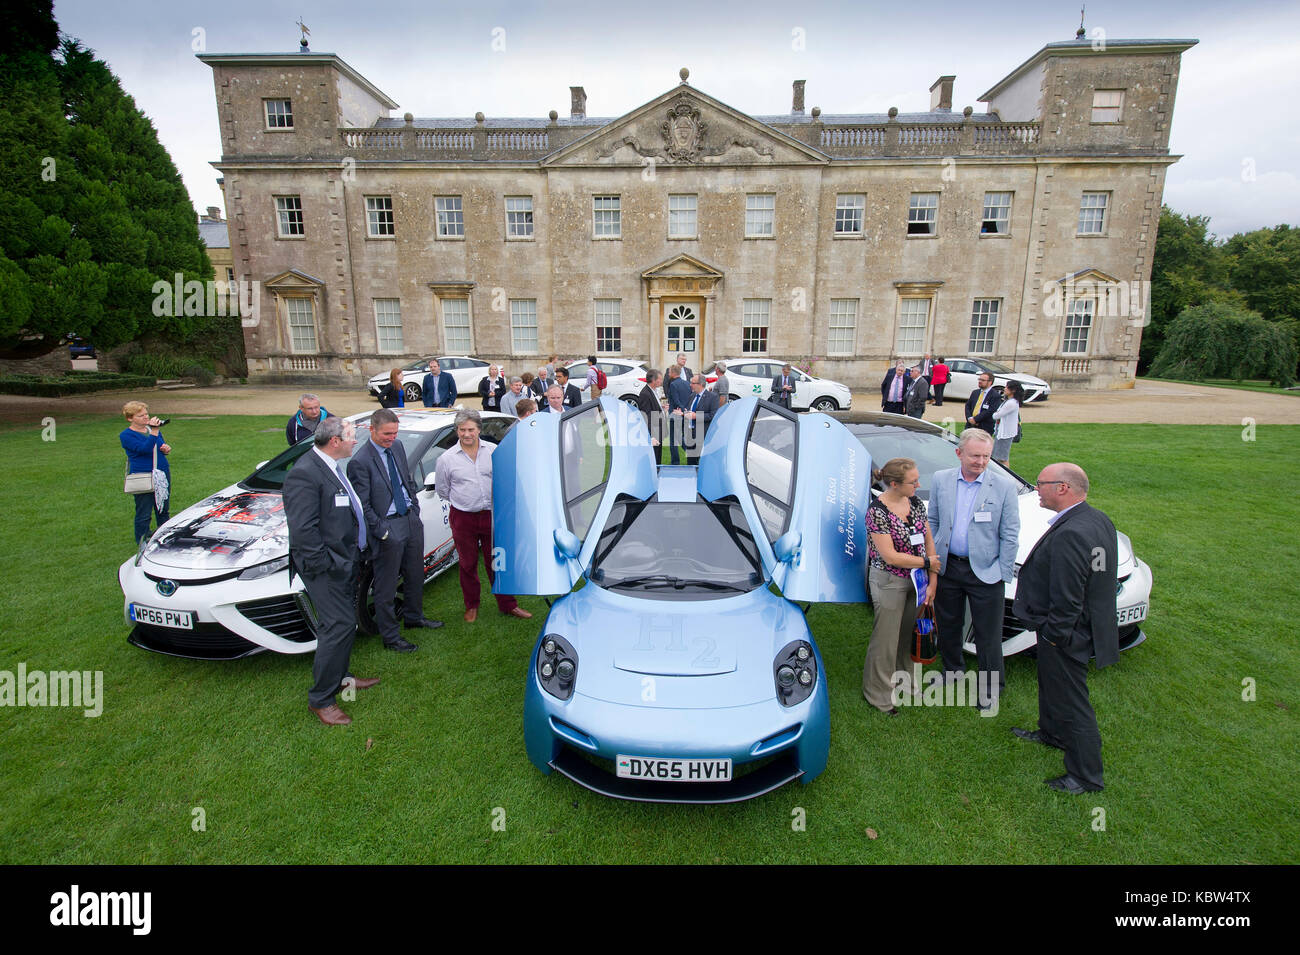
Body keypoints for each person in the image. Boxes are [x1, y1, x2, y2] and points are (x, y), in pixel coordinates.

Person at [1011, 463, 1119, 793]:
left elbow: (1068, 597)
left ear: (1062, 488)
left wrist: (1055, 638)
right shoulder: (1096, 517)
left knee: (1074, 703)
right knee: (1052, 686)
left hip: (1066, 634)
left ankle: (1085, 776)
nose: (1036, 490)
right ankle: (1051, 733)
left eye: (1041, 484)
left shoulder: (1072, 533)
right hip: (1076, 628)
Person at [282, 417, 379, 726]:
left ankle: (343, 677)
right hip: (326, 569)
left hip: (346, 561)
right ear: (335, 441)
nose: (356, 442)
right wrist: (328, 566)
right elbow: (303, 531)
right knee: (337, 626)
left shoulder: (333, 466)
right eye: (352, 437)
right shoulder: (305, 474)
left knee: (344, 622)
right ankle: (321, 699)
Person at [927, 428, 1019, 708]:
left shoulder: (1003, 487)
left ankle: (991, 689)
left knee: (988, 634)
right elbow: (933, 520)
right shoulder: (941, 480)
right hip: (949, 568)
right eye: (975, 455)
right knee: (948, 624)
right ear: (959, 453)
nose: (981, 461)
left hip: (986, 572)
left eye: (986, 456)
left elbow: (1010, 532)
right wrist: (933, 560)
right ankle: (953, 670)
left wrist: (1002, 572)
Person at [347, 408, 442, 654]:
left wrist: (415, 507)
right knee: (386, 585)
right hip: (388, 527)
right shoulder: (360, 462)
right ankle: (390, 636)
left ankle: (414, 617)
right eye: (387, 434)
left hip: (409, 519)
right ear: (372, 430)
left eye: (395, 433)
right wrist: (382, 531)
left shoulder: (397, 447)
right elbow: (362, 505)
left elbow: (406, 479)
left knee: (414, 573)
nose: (391, 438)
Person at [434, 411, 532, 622]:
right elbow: (443, 490)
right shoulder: (446, 459)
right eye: (462, 430)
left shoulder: (494, 452)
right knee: (467, 564)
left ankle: (508, 604)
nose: (467, 434)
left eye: (471, 429)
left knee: (497, 562)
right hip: (463, 518)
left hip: (491, 517)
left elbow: (505, 480)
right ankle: (471, 606)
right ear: (457, 431)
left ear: (479, 429)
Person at [863, 458, 937, 715]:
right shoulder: (877, 512)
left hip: (917, 580)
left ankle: (906, 682)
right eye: (913, 481)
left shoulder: (915, 502)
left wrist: (931, 580)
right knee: (885, 640)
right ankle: (878, 695)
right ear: (894, 484)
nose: (918, 484)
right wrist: (927, 562)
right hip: (889, 582)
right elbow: (890, 556)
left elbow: (927, 537)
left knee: (906, 635)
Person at [121, 401, 172, 544]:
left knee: (163, 508)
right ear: (130, 418)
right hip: (143, 475)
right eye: (140, 415)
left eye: (146, 414)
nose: (145, 417)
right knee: (144, 512)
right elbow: (144, 449)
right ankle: (142, 541)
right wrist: (154, 432)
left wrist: (165, 448)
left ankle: (165, 538)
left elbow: (158, 445)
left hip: (161, 472)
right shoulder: (126, 435)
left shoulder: (152, 430)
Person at [682, 374, 720, 464]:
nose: (690, 385)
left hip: (702, 435)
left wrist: (696, 416)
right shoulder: (692, 396)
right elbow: (689, 411)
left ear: (700, 384)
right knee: (691, 461)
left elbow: (713, 415)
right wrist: (684, 413)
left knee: (702, 462)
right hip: (690, 434)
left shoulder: (712, 397)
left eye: (693, 383)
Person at [990, 380, 1022, 467]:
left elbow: (997, 415)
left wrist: (995, 414)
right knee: (999, 456)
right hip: (1002, 432)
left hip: (1005, 434)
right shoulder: (1009, 401)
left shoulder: (1012, 403)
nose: (1005, 389)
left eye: (1007, 387)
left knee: (1002, 458)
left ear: (1013, 390)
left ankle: (1007, 476)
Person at [664, 365, 692, 463]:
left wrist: (682, 409)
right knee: (680, 436)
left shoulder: (673, 384)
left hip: (675, 413)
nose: (668, 374)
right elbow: (690, 398)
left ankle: (676, 461)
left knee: (673, 439)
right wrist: (685, 410)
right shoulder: (687, 383)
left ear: (673, 373)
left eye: (669, 372)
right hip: (684, 414)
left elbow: (675, 400)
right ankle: (690, 453)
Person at [636, 369, 664, 449]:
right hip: (653, 432)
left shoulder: (653, 390)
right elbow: (646, 416)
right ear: (653, 380)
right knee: (654, 457)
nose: (662, 381)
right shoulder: (645, 394)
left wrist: (661, 408)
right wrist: (651, 436)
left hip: (658, 430)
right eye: (660, 379)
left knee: (658, 457)